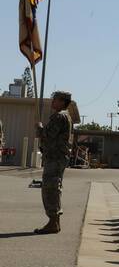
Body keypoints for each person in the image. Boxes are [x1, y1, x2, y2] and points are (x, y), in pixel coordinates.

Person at [34, 91, 74, 233]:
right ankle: (53, 221)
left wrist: (39, 128)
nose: (52, 102)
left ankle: (53, 221)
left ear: (63, 101)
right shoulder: (64, 116)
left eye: (55, 99)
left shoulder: (60, 116)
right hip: (56, 157)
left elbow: (48, 135)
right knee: (53, 187)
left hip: (55, 157)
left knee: (51, 188)